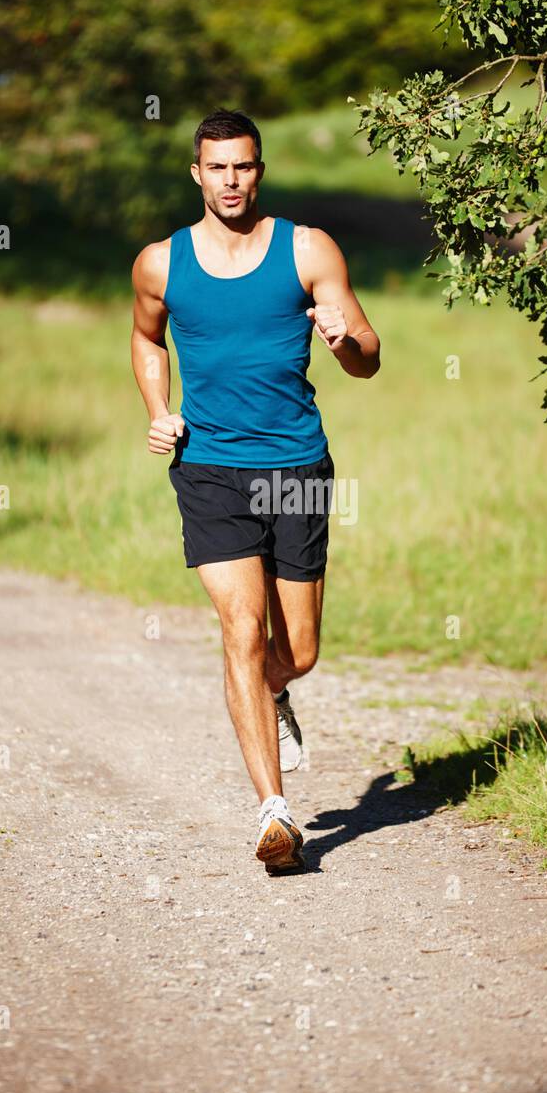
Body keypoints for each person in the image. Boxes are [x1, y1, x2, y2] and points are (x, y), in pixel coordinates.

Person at [131, 109, 380, 873]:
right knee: (241, 627)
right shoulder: (160, 263)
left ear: (258, 171)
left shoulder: (308, 250)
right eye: (217, 167)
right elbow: (145, 339)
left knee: (296, 649)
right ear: (196, 173)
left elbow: (370, 357)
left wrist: (345, 341)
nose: (230, 181)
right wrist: (160, 412)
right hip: (209, 470)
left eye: (243, 167)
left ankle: (278, 691)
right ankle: (274, 813)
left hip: (297, 468)